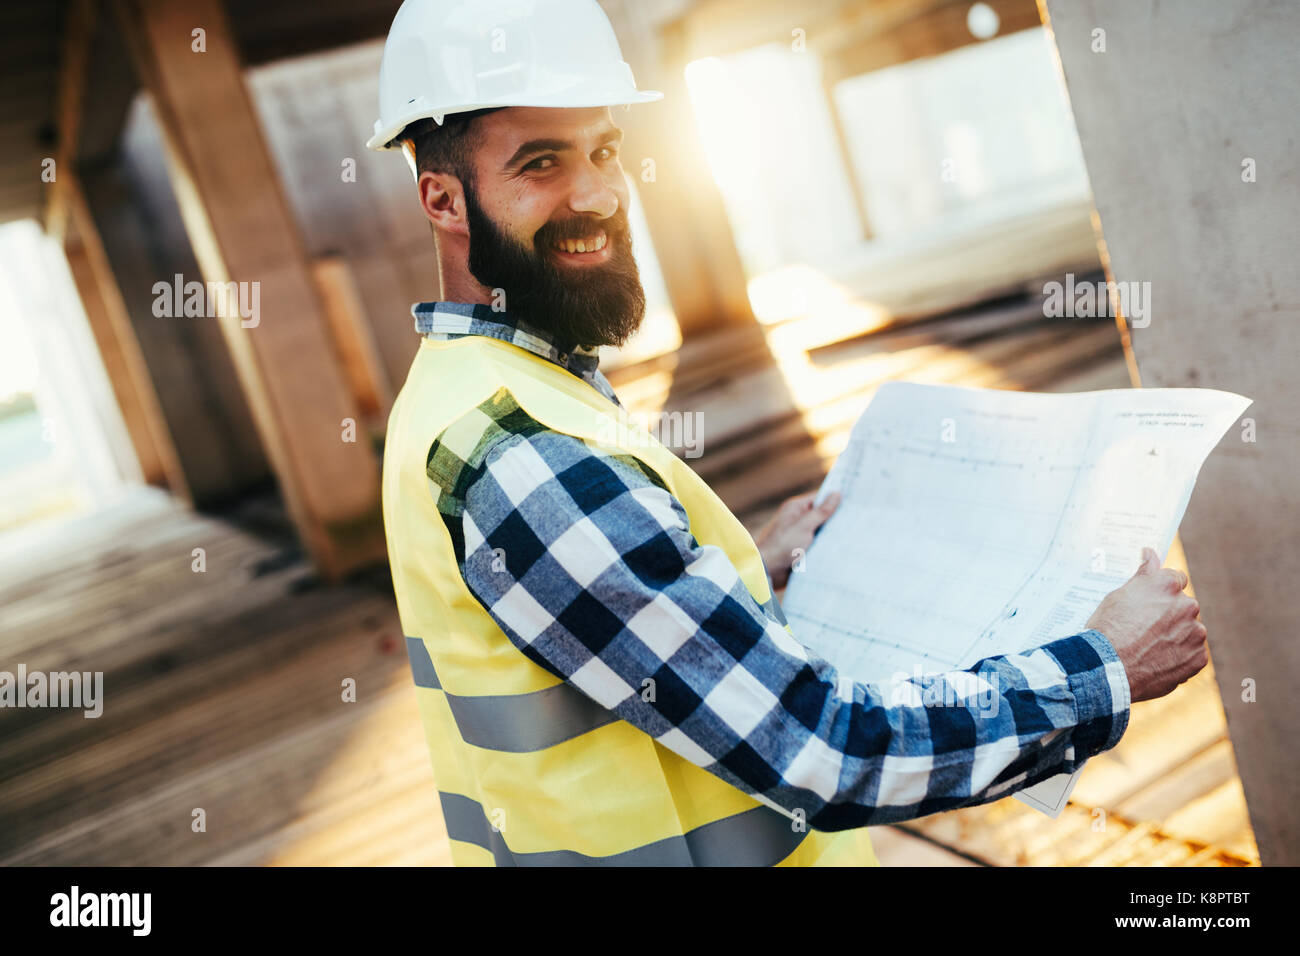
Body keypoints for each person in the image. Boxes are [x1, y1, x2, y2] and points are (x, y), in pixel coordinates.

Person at [373, 0, 1208, 866]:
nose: (598, 194)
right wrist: (1099, 669)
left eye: (605, 150)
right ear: (444, 199)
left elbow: (579, 649)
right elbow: (823, 751)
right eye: (540, 163)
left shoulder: (469, 390)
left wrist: (737, 573)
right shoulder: (527, 454)